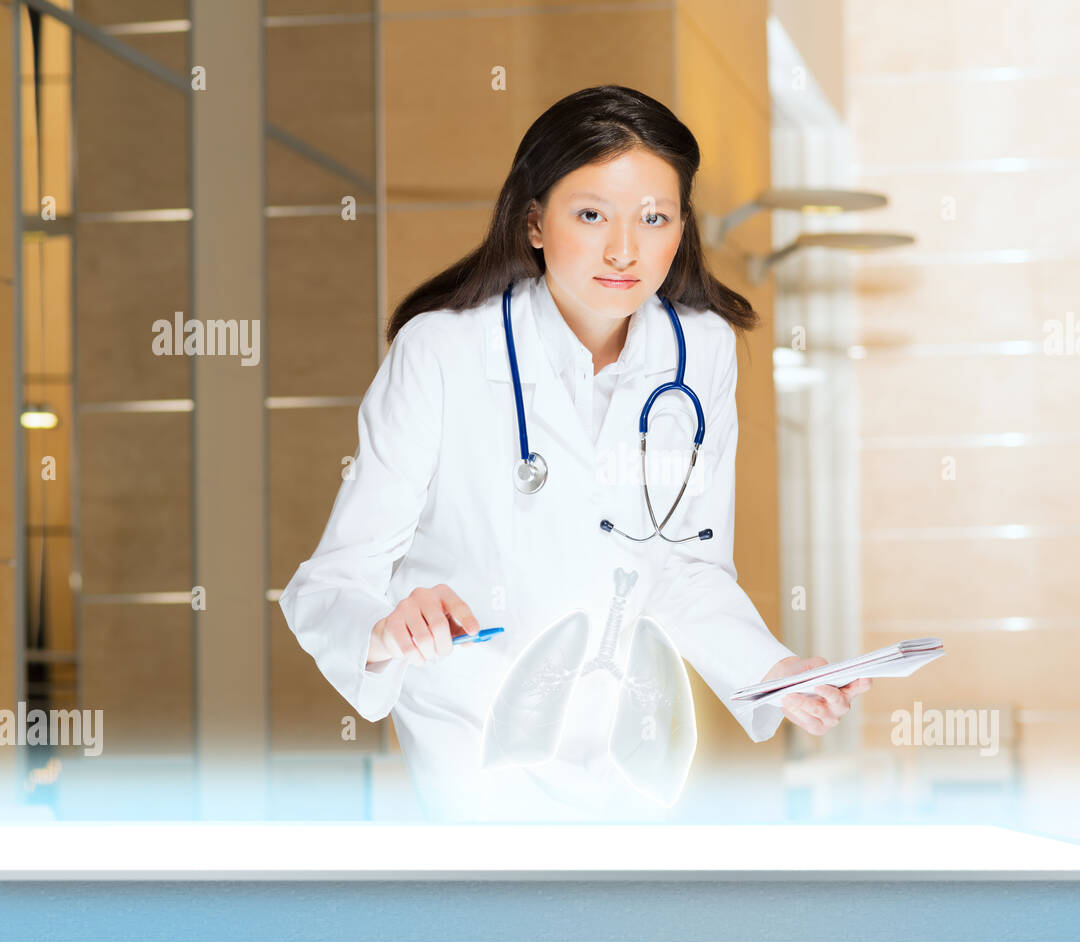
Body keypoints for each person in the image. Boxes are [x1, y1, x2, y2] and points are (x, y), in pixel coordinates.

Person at [279, 84, 871, 822]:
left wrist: (774, 672)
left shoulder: (702, 352)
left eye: (654, 219)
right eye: (591, 215)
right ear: (533, 220)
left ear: (680, 226)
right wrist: (387, 628)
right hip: (478, 735)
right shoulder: (443, 350)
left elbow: (683, 567)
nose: (624, 250)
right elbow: (329, 584)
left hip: (625, 738)